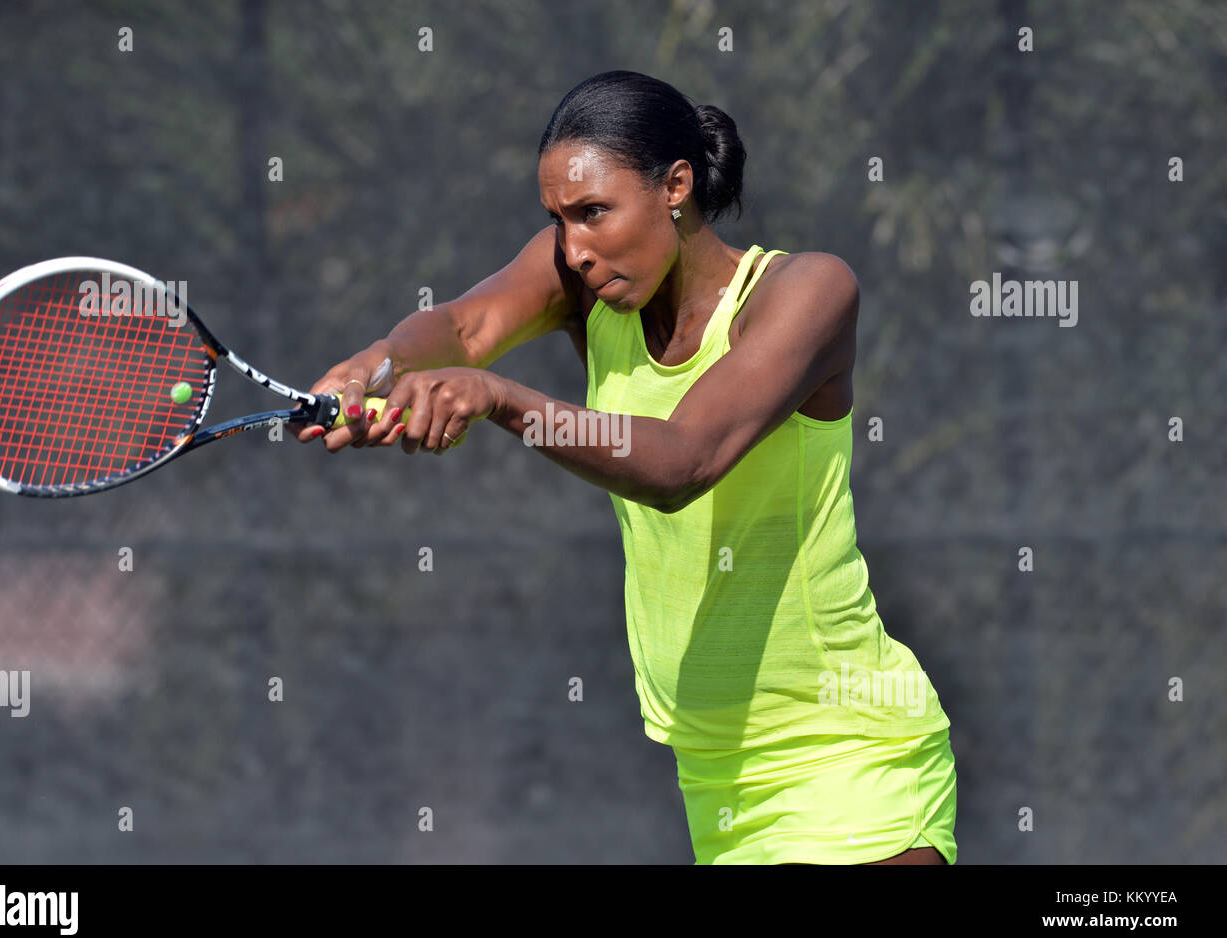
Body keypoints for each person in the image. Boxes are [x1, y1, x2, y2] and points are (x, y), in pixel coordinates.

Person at [294, 70, 957, 865]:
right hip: (715, 778)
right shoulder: (584, 283)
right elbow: (462, 329)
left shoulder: (809, 291)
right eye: (558, 221)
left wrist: (501, 399)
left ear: (675, 186)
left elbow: (684, 459)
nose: (574, 247)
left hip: (850, 759)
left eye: (594, 212)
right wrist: (377, 363)